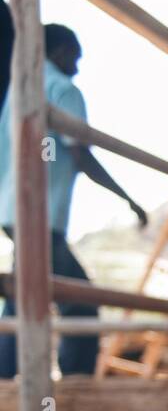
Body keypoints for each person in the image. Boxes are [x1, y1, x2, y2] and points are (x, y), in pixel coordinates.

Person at [0, 24, 147, 379]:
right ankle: (75, 388)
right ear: (58, 50)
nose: (77, 67)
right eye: (74, 57)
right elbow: (80, 155)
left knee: (24, 297)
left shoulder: (16, 91)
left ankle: (4, 381)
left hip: (12, 209)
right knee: (80, 303)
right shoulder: (64, 90)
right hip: (39, 214)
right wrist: (130, 200)